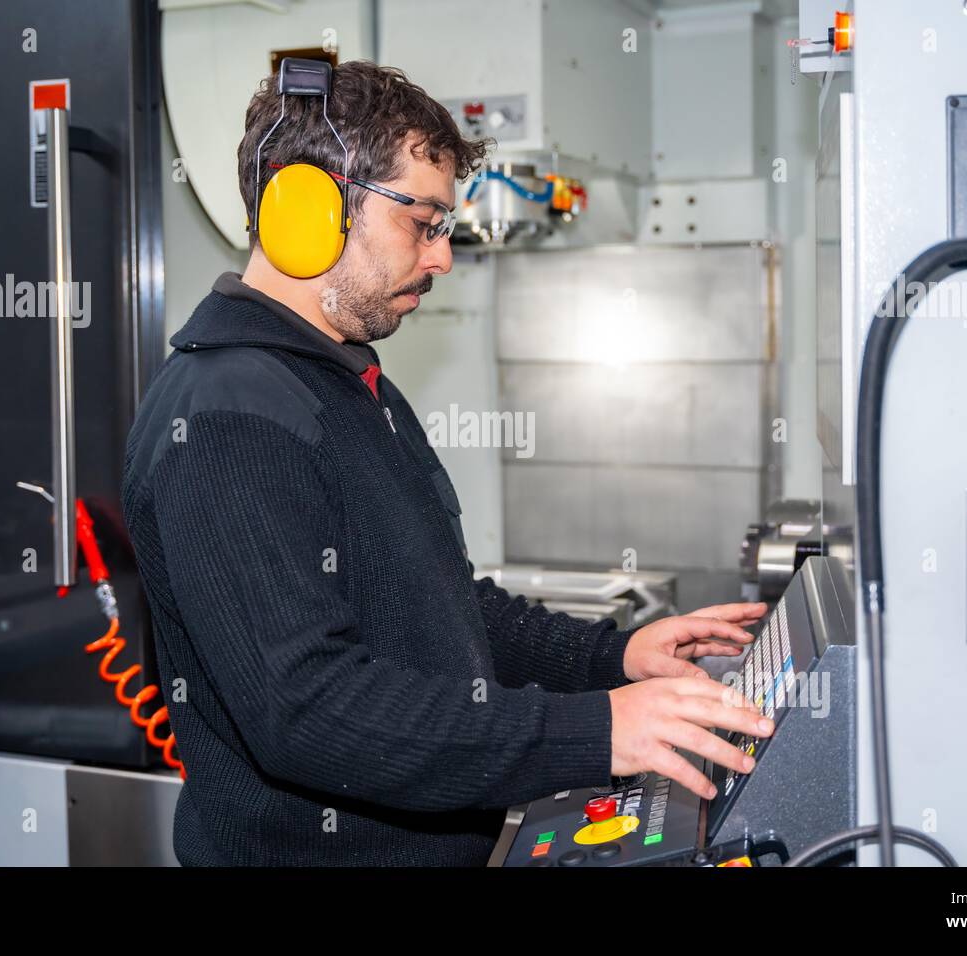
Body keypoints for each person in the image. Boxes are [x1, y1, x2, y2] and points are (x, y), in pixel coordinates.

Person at [122, 59, 773, 866]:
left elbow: (437, 608)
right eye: (424, 222)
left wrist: (611, 659)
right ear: (307, 210)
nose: (442, 258)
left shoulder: (352, 386)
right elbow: (310, 711)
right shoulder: (226, 419)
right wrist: (597, 732)